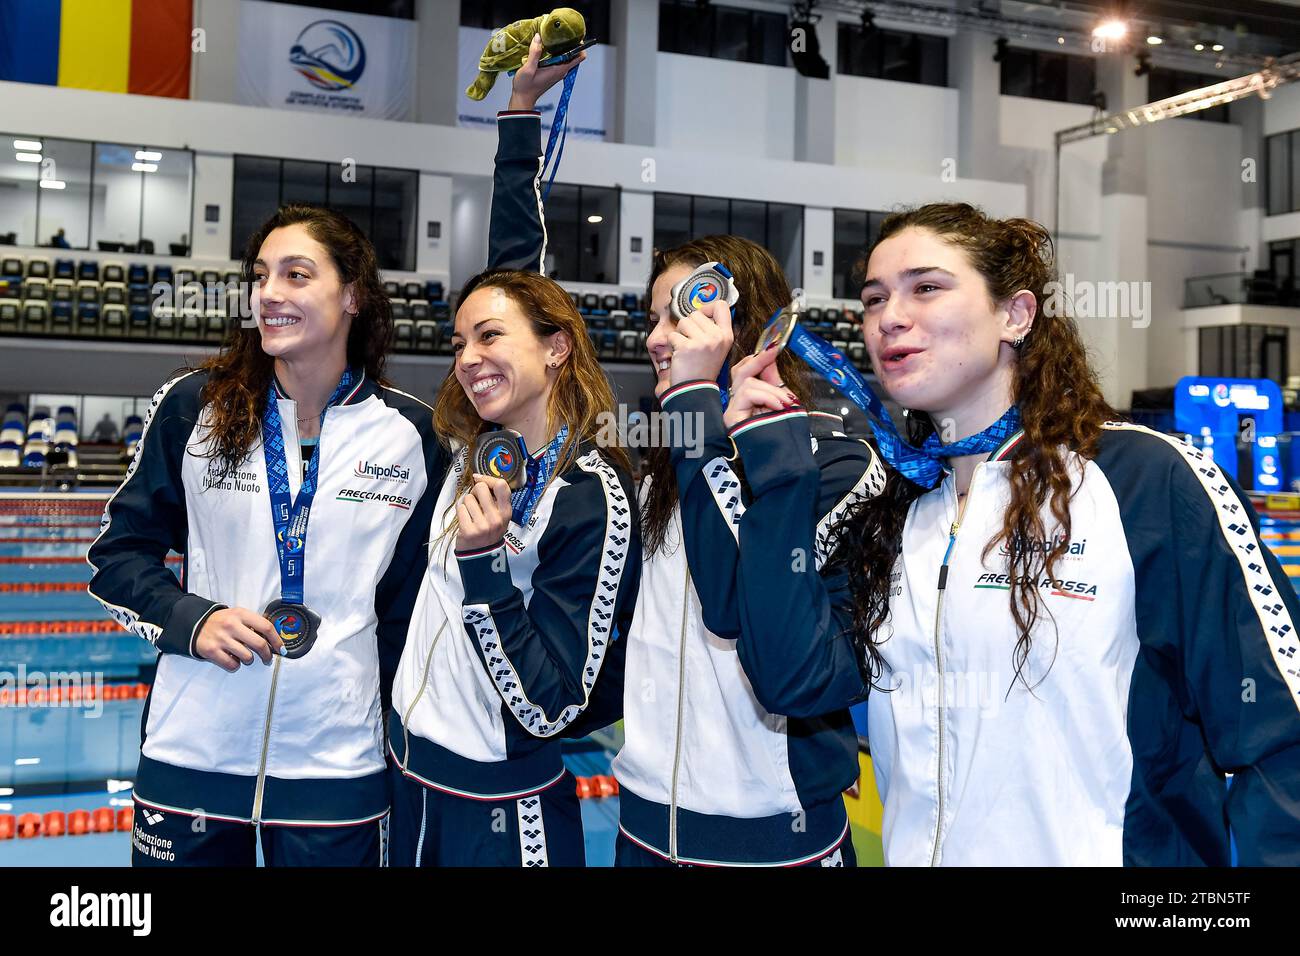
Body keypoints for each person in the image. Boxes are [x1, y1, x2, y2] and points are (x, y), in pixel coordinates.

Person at [725, 202, 1300, 866]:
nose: (890, 317)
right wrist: (773, 477)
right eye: (875, 299)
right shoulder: (896, 510)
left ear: (1015, 315)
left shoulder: (1144, 481)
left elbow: (1277, 737)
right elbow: (793, 682)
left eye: (927, 287)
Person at [475, 42, 881, 866]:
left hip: (774, 840)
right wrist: (522, 123)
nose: (656, 338)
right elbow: (515, 309)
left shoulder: (834, 457)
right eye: (654, 319)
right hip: (643, 825)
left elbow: (738, 602)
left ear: (751, 324)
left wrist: (700, 409)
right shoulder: (653, 453)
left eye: (681, 317)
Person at [88, 204, 444, 866]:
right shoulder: (196, 407)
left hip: (337, 764)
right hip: (191, 751)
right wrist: (189, 618)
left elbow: (413, 615)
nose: (270, 293)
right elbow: (117, 555)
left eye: (297, 274)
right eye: (260, 276)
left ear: (353, 295)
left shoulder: (412, 436)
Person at [386, 37, 641, 868]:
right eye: (459, 341)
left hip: (501, 816)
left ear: (558, 348)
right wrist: (519, 115)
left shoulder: (588, 494)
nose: (468, 357)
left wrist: (486, 565)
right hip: (405, 780)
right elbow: (510, 261)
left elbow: (551, 707)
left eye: (490, 336)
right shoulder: (473, 450)